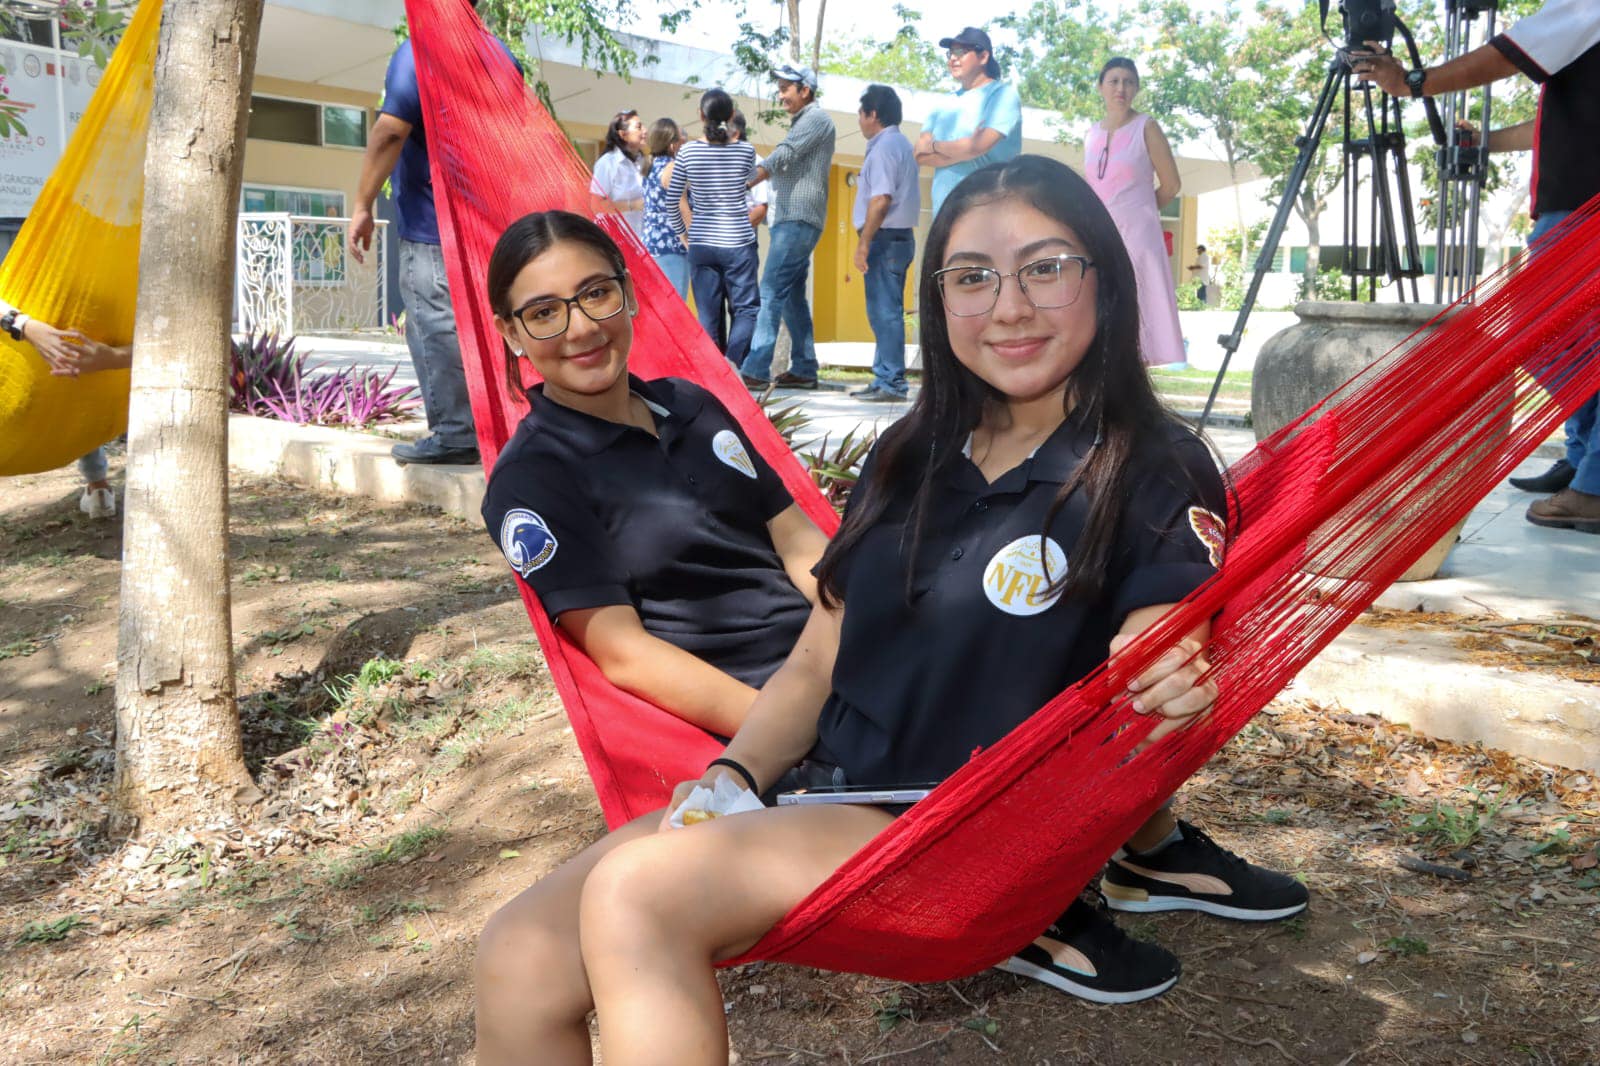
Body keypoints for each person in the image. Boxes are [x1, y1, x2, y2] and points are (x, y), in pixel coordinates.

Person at [474, 157, 1307, 1066]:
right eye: (973, 278)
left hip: (955, 825)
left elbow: (1161, 635)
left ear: (1104, 278)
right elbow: (818, 653)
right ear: (938, 301)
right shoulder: (912, 453)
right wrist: (735, 774)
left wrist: (1165, 671)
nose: (1010, 307)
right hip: (828, 788)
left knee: (638, 894)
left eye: (1045, 268)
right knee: (519, 954)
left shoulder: (1150, 465)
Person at [1356, 0, 1600, 533]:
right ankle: (1585, 458)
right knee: (1563, 347)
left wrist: (1412, 82)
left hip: (1584, 210)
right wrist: (1485, 142)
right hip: (1574, 207)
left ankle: (1595, 483)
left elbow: (1507, 54)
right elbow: (1559, 125)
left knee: (1547, 339)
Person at [348, 0, 516, 467]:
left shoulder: (419, 52)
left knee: (434, 323)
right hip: (493, 224)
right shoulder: (500, 54)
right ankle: (505, 430)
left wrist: (362, 205)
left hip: (433, 224)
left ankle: (457, 433)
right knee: (492, 327)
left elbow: (389, 132)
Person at [738, 64, 836, 391]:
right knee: (792, 297)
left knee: (769, 290)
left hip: (798, 219)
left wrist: (747, 180)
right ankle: (805, 368)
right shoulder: (805, 121)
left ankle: (755, 368)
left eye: (785, 89)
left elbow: (785, 155)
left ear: (804, 90)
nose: (780, 96)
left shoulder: (816, 119)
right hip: (792, 220)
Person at [1084, 57, 1186, 368]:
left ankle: (1135, 376)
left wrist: (1139, 210)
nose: (1121, 88)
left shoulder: (1147, 127)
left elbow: (1171, 185)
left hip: (1138, 235)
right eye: (1114, 81)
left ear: (1137, 88)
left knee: (1138, 308)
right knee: (1101, 305)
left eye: (1129, 82)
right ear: (1101, 87)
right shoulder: (1091, 133)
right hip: (1099, 234)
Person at [0, 297, 130, 518]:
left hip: (21, 346)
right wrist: (113, 357)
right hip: (94, 348)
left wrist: (20, 323)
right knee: (82, 396)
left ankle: (97, 484)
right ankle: (98, 487)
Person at [666, 88, 763, 368]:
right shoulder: (746, 151)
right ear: (732, 115)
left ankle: (715, 375)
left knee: (708, 316)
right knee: (746, 310)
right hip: (738, 242)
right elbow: (748, 179)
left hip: (702, 243)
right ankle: (732, 365)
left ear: (701, 115)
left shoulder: (687, 152)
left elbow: (673, 200)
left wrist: (684, 236)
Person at [850, 84, 920, 403]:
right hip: (897, 237)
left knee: (885, 313)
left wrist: (864, 243)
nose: (859, 120)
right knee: (883, 312)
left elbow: (880, 199)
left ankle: (891, 382)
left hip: (885, 238)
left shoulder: (884, 148)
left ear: (873, 114)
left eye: (861, 114)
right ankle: (883, 377)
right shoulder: (899, 143)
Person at [915, 26, 1022, 218]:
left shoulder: (1002, 96)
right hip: (943, 216)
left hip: (987, 214)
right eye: (950, 53)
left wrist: (935, 146)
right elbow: (920, 155)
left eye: (960, 52)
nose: (952, 58)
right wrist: (966, 151)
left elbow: (977, 146)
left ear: (983, 57)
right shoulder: (942, 102)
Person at [640, 118, 691, 299]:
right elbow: (682, 209)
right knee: (675, 303)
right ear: (672, 145)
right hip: (672, 244)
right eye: (679, 138)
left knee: (657, 303)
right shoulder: (672, 168)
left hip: (650, 242)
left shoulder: (649, 166)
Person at [588, 109, 647, 237]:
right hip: (616, 238)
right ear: (623, 134)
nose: (645, 131)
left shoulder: (643, 162)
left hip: (641, 238)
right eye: (638, 127)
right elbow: (596, 205)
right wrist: (632, 205)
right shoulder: (607, 163)